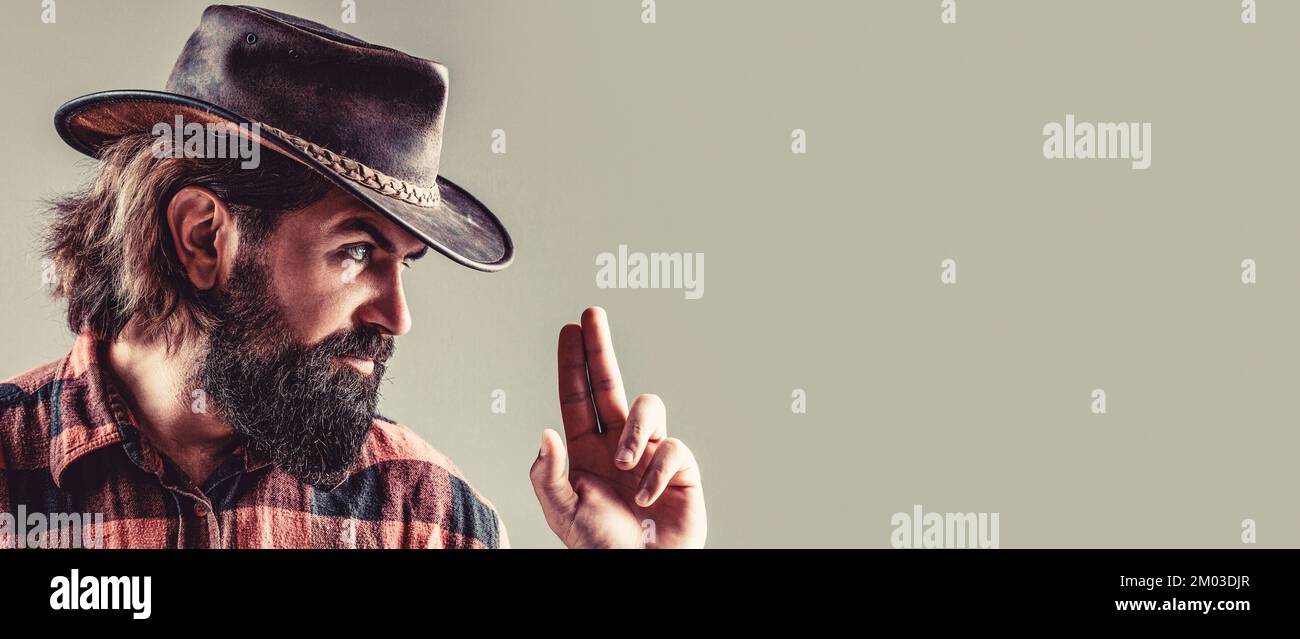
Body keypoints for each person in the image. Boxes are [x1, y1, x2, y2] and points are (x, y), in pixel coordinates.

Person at [0, 4, 704, 549]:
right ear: (204, 237)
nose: (397, 316)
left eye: (404, 264)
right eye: (359, 251)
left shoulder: (424, 517)